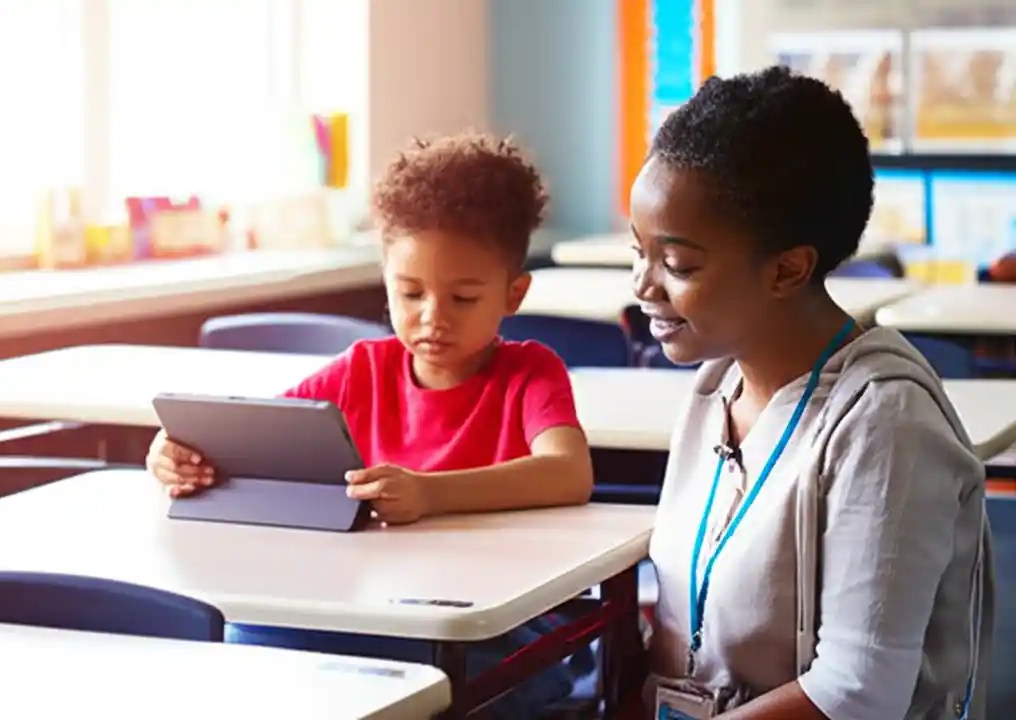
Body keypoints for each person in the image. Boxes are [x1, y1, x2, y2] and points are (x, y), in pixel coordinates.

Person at [147, 131, 594, 716]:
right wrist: (176, 453)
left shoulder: (529, 373)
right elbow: (259, 437)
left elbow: (569, 473)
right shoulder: (363, 369)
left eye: (463, 298)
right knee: (245, 650)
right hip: (370, 613)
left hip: (494, 630)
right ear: (385, 279)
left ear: (514, 294)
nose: (432, 317)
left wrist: (431, 494)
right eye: (410, 293)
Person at [631, 65, 993, 719]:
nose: (644, 285)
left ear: (788, 269)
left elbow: (856, 695)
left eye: (678, 265)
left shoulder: (886, 423)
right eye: (640, 253)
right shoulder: (717, 385)